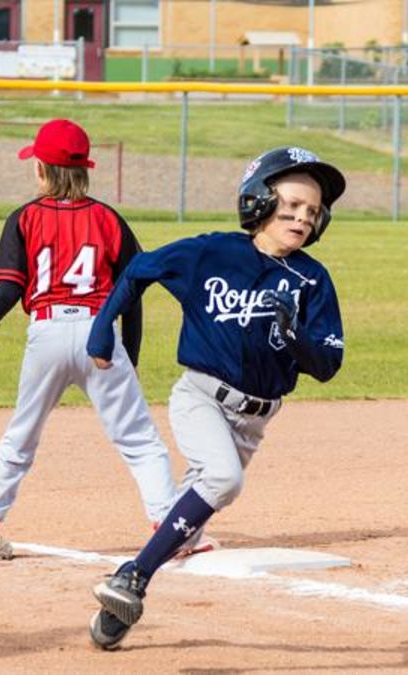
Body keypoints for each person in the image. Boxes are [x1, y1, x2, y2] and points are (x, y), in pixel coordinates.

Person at [83, 146, 347, 649]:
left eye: (312, 212)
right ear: (258, 203)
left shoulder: (313, 280)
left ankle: (118, 607)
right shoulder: (213, 253)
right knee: (223, 479)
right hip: (201, 396)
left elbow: (328, 366)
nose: (302, 218)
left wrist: (294, 335)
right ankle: (131, 578)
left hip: (255, 418)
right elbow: (140, 269)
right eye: (290, 205)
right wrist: (101, 333)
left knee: (188, 520)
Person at [0, 118, 181, 561]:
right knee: (139, 439)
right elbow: (132, 296)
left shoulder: (24, 217)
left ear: (42, 170)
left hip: (44, 332)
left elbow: (9, 290)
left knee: (21, 436)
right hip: (99, 334)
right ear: (86, 171)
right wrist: (128, 357)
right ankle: (169, 528)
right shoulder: (108, 219)